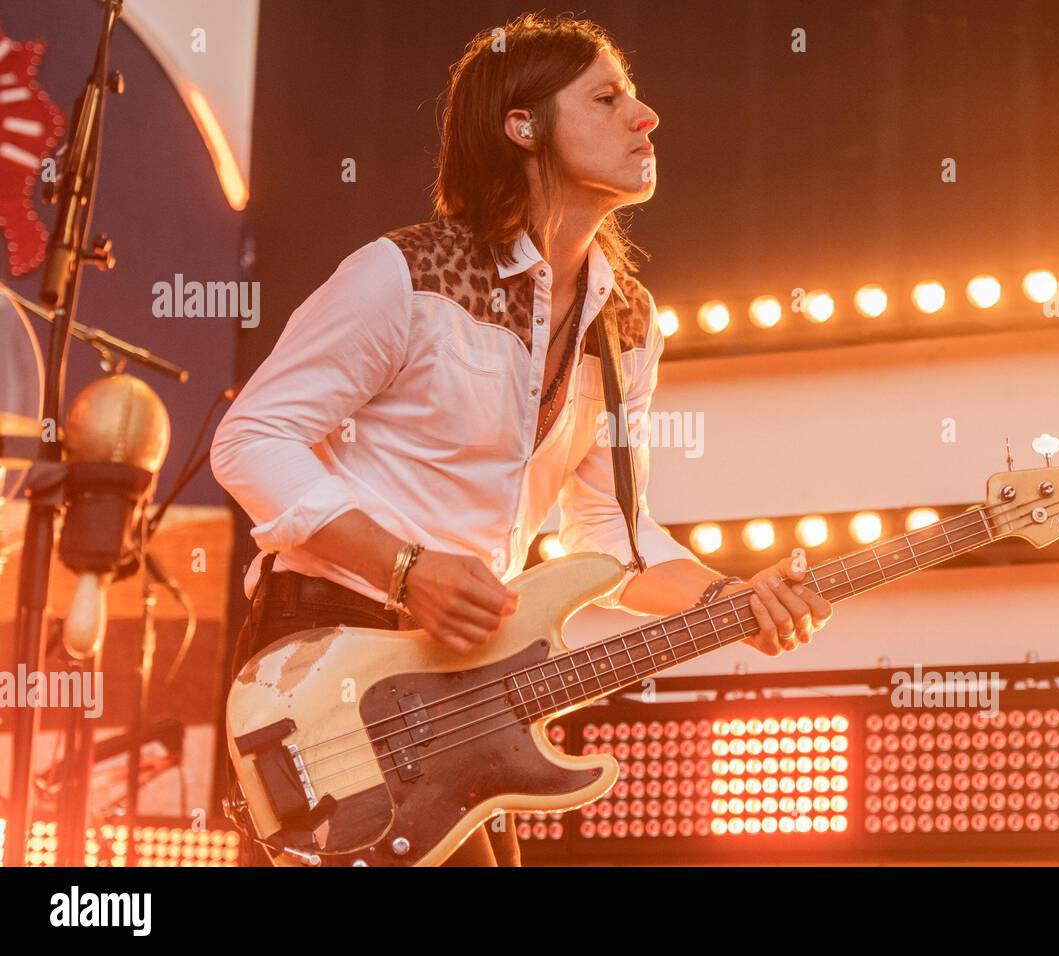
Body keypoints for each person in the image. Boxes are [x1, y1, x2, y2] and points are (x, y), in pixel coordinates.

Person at [210, 12, 833, 867]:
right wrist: (404, 566)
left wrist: (727, 603)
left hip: (468, 679)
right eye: (609, 98)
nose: (646, 117)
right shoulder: (405, 274)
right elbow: (251, 437)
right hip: (334, 668)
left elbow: (611, 533)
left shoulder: (628, 325)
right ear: (522, 124)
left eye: (637, 98)